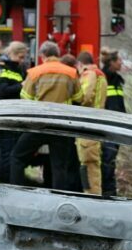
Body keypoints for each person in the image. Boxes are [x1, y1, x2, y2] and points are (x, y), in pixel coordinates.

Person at [10, 41, 84, 192]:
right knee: (59, 166)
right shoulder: (71, 72)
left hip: (39, 124)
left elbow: (25, 98)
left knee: (17, 157)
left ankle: (15, 192)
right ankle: (58, 198)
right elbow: (80, 98)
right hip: (62, 125)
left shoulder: (35, 72)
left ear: (43, 56)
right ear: (58, 54)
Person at [0, 41, 29, 184]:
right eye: (20, 57)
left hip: (16, 116)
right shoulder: (0, 67)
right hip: (4, 115)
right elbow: (0, 91)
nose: (22, 60)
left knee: (14, 154)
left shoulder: (18, 67)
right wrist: (21, 86)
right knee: (7, 153)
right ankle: (4, 184)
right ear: (12, 53)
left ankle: (12, 183)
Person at [75, 51, 107, 194]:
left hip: (87, 125)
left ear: (80, 64)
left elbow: (85, 97)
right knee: (93, 165)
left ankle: (92, 198)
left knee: (88, 166)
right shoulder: (100, 74)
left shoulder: (89, 73)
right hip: (95, 123)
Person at [101, 48, 126, 197]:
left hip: (117, 125)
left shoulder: (116, 79)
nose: (121, 62)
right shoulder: (104, 78)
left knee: (110, 160)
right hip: (108, 125)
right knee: (107, 160)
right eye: (119, 60)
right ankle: (108, 192)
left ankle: (109, 191)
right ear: (111, 62)